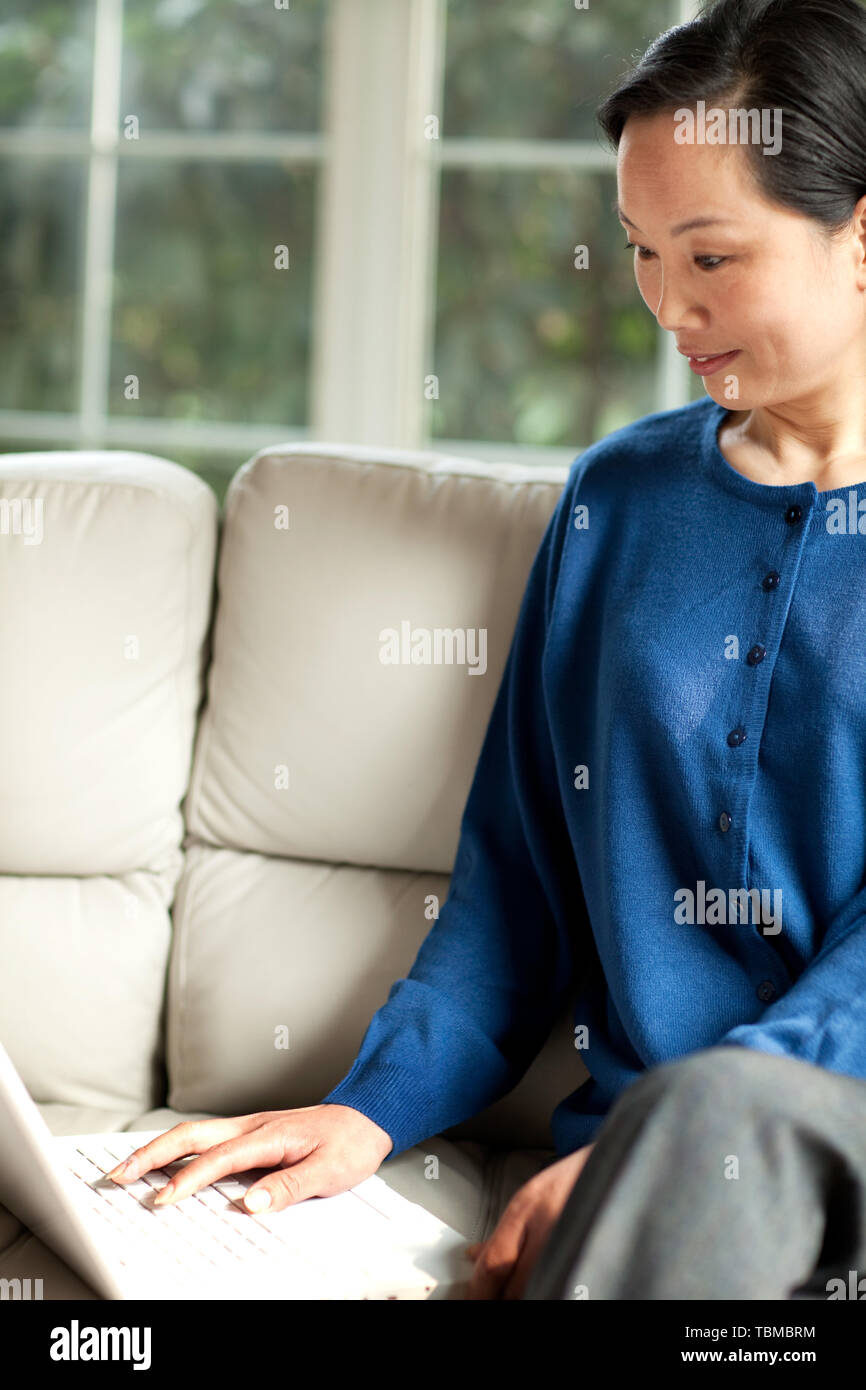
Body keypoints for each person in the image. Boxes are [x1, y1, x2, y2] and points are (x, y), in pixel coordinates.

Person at [108, 0, 866, 1299]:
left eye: (710, 257)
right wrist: (368, 1110)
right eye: (637, 253)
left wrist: (671, 1151)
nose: (664, 309)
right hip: (640, 1196)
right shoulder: (614, 504)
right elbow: (513, 883)